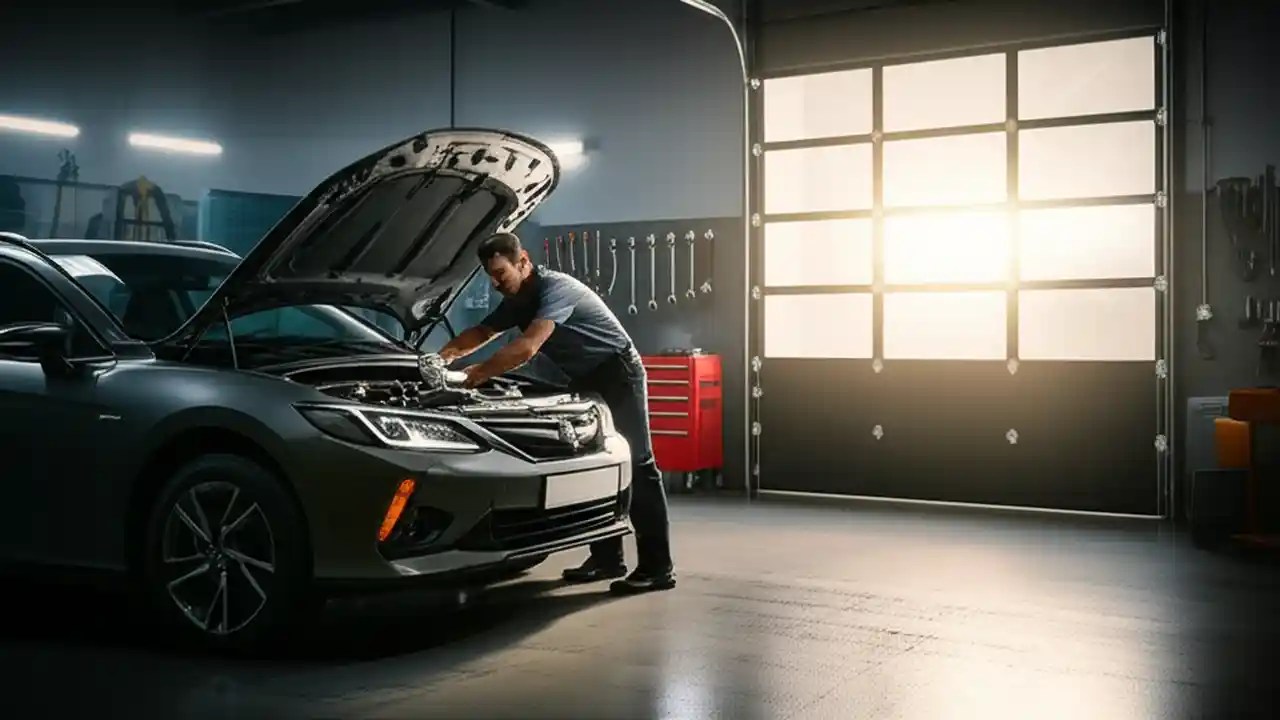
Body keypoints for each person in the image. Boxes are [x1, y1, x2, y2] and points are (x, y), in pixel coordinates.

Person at [437, 232, 675, 595]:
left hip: (618, 372)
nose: (496, 283)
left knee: (639, 465)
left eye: (501, 273)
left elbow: (527, 347)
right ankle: (608, 559)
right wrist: (445, 355)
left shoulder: (556, 290)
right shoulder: (518, 298)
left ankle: (659, 568)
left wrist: (480, 374)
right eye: (490, 276)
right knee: (594, 464)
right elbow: (483, 330)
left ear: (524, 262)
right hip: (583, 375)